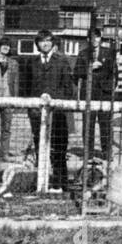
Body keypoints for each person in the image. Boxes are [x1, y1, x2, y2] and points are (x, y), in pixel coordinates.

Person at [27, 30, 74, 191]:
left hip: (58, 113)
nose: (45, 44)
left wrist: (57, 103)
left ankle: (61, 183)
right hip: (37, 114)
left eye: (48, 41)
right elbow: (27, 88)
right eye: (41, 41)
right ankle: (41, 183)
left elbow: (68, 88)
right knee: (40, 148)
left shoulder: (62, 61)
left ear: (53, 43)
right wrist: (32, 108)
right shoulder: (32, 62)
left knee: (59, 148)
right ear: (37, 44)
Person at [76, 28, 116, 162]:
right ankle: (89, 153)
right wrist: (90, 67)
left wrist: (110, 89)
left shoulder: (109, 53)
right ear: (88, 39)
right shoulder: (82, 54)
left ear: (101, 38)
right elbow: (76, 73)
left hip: (104, 94)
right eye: (92, 38)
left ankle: (106, 153)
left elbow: (114, 73)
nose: (95, 40)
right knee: (88, 124)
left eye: (97, 37)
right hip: (88, 93)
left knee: (105, 125)